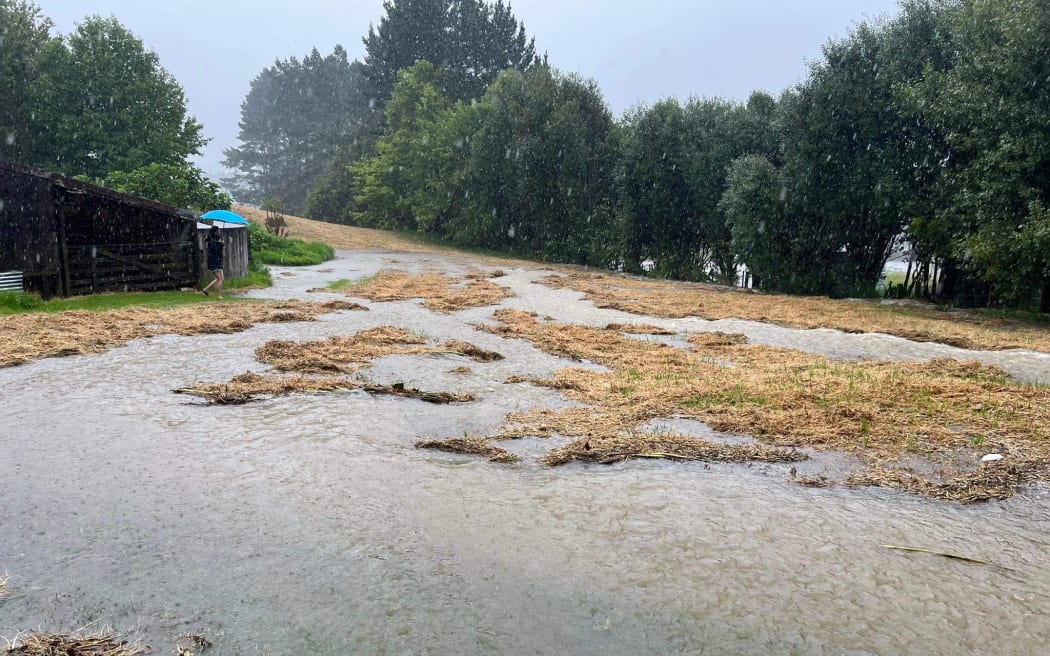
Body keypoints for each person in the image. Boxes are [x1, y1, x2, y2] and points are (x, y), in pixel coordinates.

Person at [201, 225, 224, 299]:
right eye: (218, 231)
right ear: (215, 232)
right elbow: (216, 250)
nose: (220, 232)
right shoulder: (212, 241)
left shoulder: (215, 239)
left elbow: (218, 250)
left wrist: (221, 243)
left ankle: (206, 289)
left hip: (216, 261)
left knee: (218, 278)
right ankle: (218, 295)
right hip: (214, 261)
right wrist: (221, 244)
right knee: (220, 279)